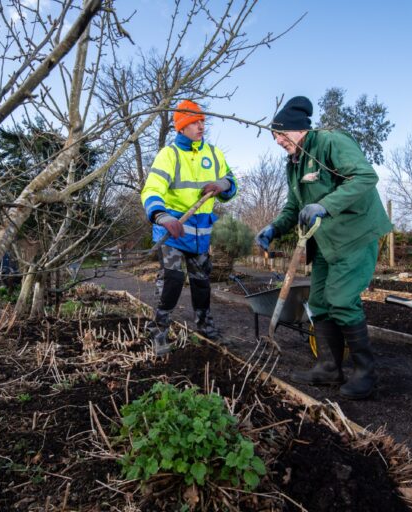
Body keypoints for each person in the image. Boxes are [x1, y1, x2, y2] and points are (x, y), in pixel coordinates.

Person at [255, 96, 392, 399]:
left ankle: (365, 374)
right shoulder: (293, 163)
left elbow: (365, 176)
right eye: (274, 136)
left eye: (281, 134)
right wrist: (275, 227)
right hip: (326, 243)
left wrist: (325, 205)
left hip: (355, 234)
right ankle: (330, 368)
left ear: (299, 129)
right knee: (319, 302)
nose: (277, 141)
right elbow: (294, 206)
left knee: (342, 299)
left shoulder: (331, 142)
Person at [141, 100, 238, 356]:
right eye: (195, 122)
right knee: (172, 280)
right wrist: (161, 216)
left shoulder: (214, 153)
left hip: (201, 235)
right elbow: (152, 189)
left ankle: (205, 325)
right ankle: (158, 330)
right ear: (181, 128)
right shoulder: (169, 154)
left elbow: (231, 181)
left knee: (202, 282)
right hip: (173, 231)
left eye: (202, 121)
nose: (201, 126)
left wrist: (222, 185)